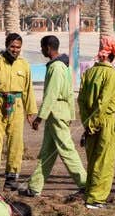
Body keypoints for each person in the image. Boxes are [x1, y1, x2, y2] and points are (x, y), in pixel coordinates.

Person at [28, 35, 87, 197]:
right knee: (47, 152)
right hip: (59, 111)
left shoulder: (56, 67)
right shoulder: (61, 65)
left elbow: (51, 94)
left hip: (57, 112)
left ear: (48, 48)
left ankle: (84, 183)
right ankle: (34, 187)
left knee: (67, 150)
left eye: (42, 48)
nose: (41, 51)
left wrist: (40, 117)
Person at [0, 33, 37, 191]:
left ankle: (11, 180)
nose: (15, 50)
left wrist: (30, 112)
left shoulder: (24, 64)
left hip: (17, 106)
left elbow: (28, 89)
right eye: (12, 46)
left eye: (18, 47)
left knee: (16, 144)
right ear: (6, 45)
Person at [77, 36, 115, 209]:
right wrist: (95, 123)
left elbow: (81, 101)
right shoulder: (111, 74)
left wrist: (87, 124)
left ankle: (90, 194)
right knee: (104, 161)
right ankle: (97, 199)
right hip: (105, 122)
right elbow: (103, 103)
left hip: (89, 122)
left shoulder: (89, 72)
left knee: (93, 160)